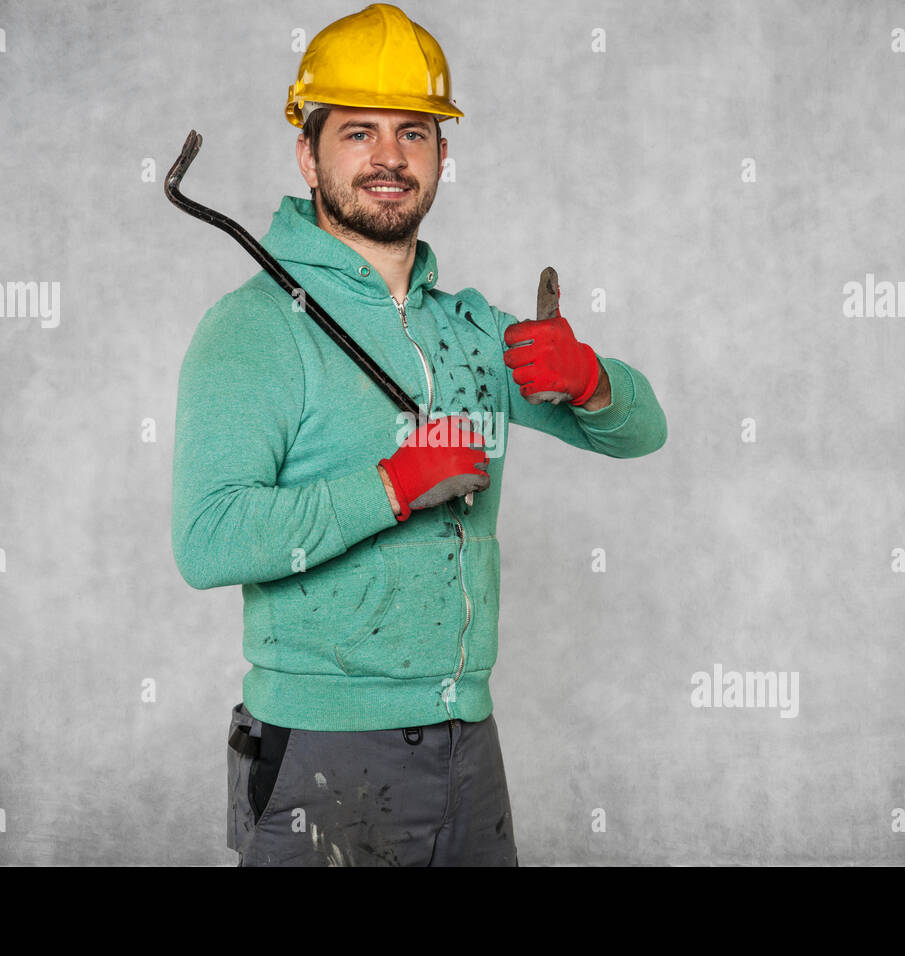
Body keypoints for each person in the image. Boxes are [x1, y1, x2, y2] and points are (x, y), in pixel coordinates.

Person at [170, 2, 667, 866]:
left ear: (443, 154)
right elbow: (207, 541)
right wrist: (394, 486)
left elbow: (643, 434)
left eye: (414, 132)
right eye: (358, 132)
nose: (389, 157)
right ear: (307, 151)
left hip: (469, 745)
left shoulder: (472, 329)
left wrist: (590, 380)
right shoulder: (254, 329)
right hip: (324, 755)